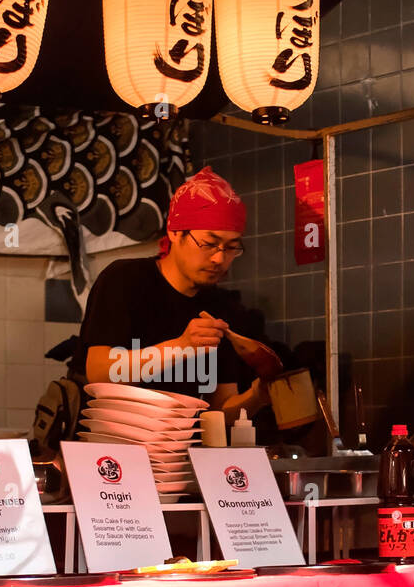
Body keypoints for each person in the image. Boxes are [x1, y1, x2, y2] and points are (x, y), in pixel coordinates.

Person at [69, 166, 271, 420]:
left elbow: (219, 411)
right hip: (108, 446)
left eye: (231, 248)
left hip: (177, 451)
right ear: (175, 233)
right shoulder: (125, 279)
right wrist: (182, 346)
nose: (220, 258)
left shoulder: (219, 307)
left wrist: (258, 395)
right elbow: (98, 371)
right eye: (209, 244)